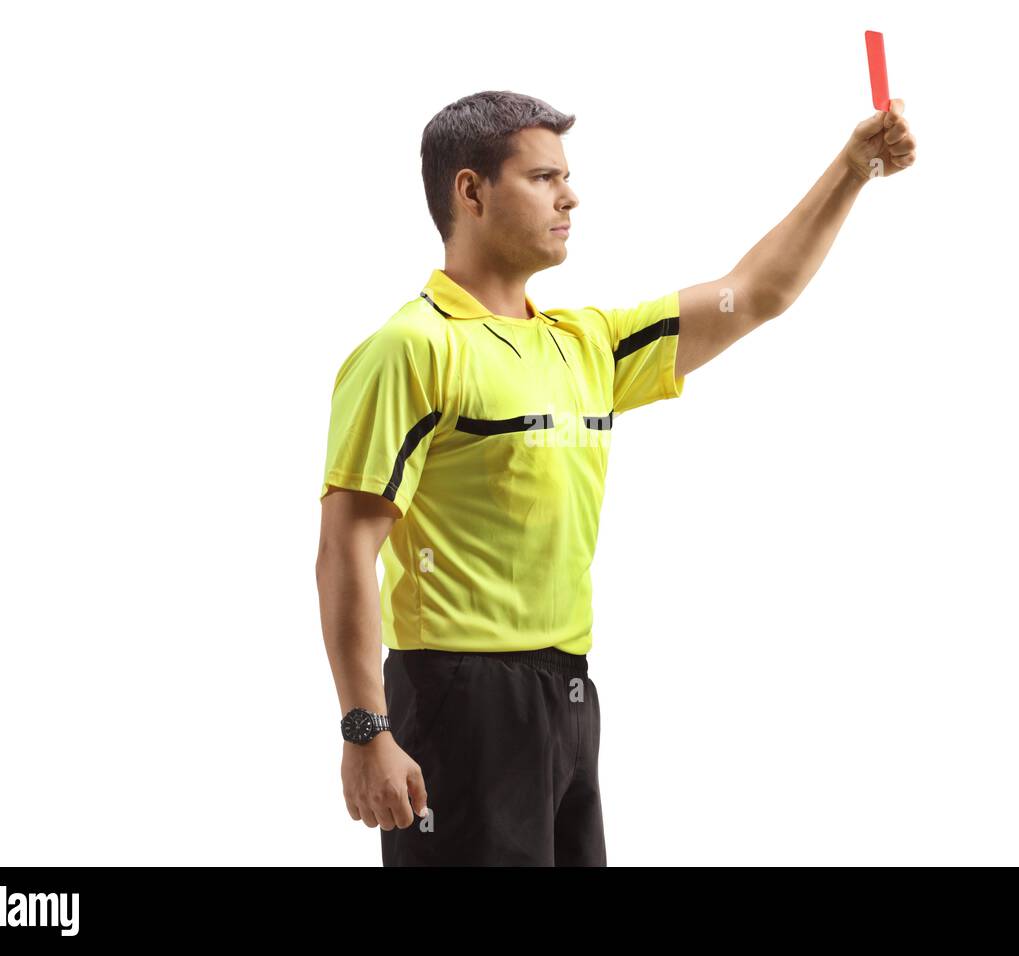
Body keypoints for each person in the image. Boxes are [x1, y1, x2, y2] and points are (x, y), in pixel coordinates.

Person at [316, 90, 917, 866]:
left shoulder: (585, 345)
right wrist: (366, 731)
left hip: (567, 694)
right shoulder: (413, 348)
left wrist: (853, 168)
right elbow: (345, 547)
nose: (569, 194)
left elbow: (756, 293)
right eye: (542, 177)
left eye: (566, 176)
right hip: (459, 700)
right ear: (470, 191)